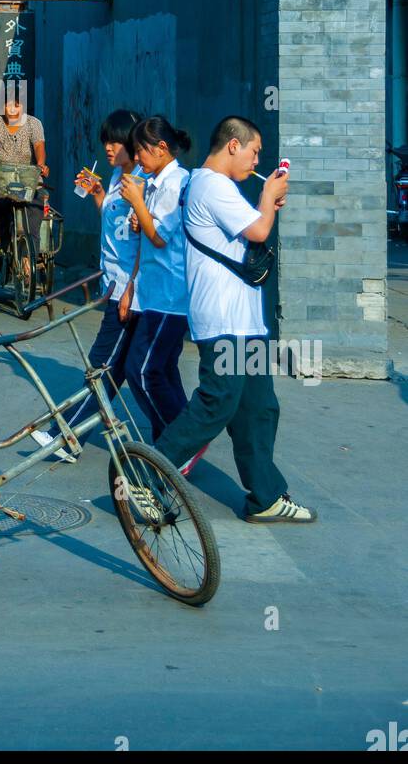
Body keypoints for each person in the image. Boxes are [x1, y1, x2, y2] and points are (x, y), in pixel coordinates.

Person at [154, 115, 317, 523]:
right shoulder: (212, 184)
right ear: (232, 145)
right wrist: (268, 196)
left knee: (258, 406)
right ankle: (142, 475)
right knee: (217, 403)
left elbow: (252, 231)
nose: (255, 159)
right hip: (224, 318)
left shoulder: (213, 185)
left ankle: (266, 497)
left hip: (246, 321)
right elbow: (260, 232)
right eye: (254, 151)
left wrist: (268, 204)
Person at [31, 108, 142, 462]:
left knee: (102, 367)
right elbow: (115, 227)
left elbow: (144, 243)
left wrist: (131, 288)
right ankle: (180, 434)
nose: (109, 148)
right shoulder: (114, 176)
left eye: (116, 141)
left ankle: (66, 438)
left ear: (133, 143)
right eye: (106, 141)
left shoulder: (140, 181)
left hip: (129, 290)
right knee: (124, 372)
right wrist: (97, 193)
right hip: (114, 284)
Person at [116, 116, 192, 444]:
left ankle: (182, 441)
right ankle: (173, 441)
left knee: (143, 371)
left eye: (140, 152)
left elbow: (160, 236)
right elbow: (151, 231)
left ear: (161, 148)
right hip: (153, 292)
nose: (137, 159)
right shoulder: (157, 180)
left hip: (170, 295)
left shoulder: (176, 183)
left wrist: (137, 203)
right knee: (162, 370)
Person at [0, 95, 49, 256]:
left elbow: (39, 145)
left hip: (28, 178)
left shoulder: (34, 123)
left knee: (37, 200)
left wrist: (41, 164)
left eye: (17, 105)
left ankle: (30, 253)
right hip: (1, 177)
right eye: (8, 105)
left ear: (23, 107)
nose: (12, 109)